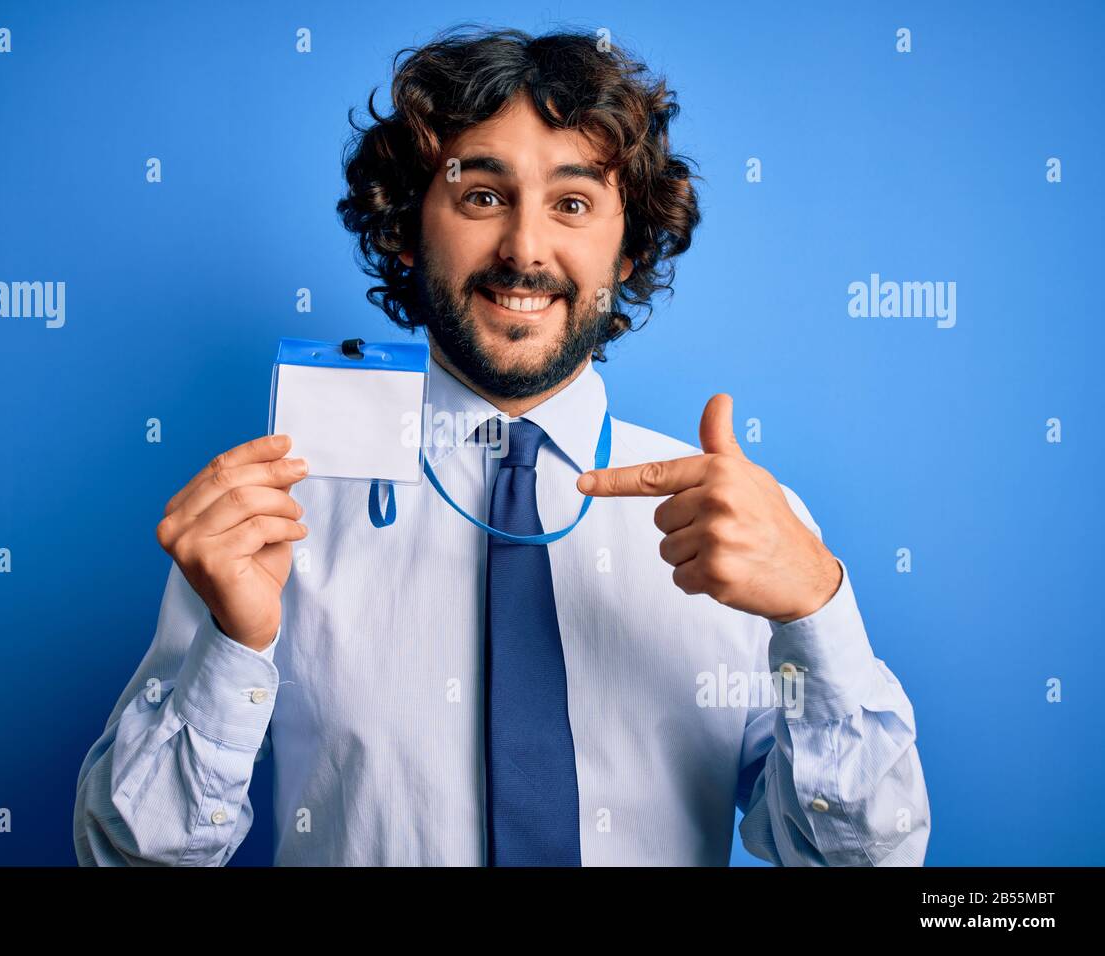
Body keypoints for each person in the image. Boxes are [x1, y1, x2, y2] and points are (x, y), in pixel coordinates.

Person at [73, 26, 929, 866]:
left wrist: (817, 610)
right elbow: (128, 859)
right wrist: (233, 642)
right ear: (409, 227)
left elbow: (863, 863)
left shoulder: (743, 528)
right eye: (482, 196)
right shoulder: (276, 520)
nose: (525, 249)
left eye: (573, 203)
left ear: (628, 248)